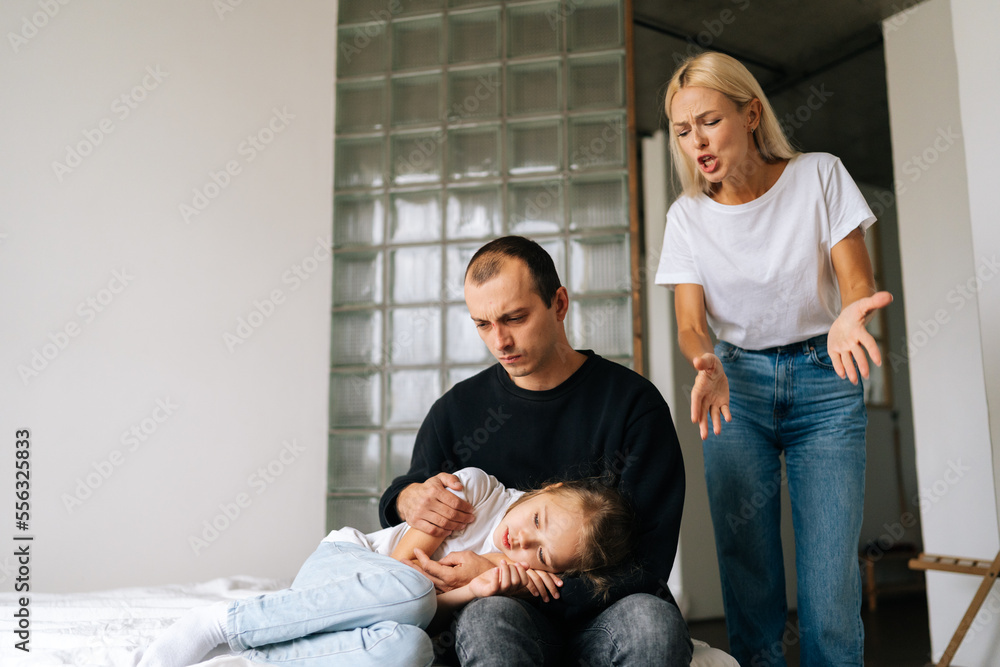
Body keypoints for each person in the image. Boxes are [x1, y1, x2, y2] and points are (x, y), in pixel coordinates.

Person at [654, 51, 893, 666]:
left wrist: (850, 312)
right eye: (683, 131)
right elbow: (688, 322)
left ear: (751, 113)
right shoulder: (688, 217)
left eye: (708, 121)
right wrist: (705, 361)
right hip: (736, 387)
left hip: (826, 378)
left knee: (829, 581)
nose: (696, 141)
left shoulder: (820, 176)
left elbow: (857, 284)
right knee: (748, 573)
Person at [380, 235, 692, 666]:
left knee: (652, 625)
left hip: (607, 613)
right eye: (483, 324)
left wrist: (513, 577)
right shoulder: (457, 410)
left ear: (559, 304)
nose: (500, 341)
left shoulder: (632, 405)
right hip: (503, 616)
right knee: (488, 616)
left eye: (515, 318)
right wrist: (406, 497)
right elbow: (408, 491)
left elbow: (646, 565)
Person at [137, 467, 635, 667]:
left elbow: (424, 622)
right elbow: (399, 569)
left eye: (542, 554)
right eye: (538, 519)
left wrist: (474, 590)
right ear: (544, 490)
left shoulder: (515, 580)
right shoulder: (479, 490)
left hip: (389, 616)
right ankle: (221, 623)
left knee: (409, 650)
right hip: (346, 568)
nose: (522, 538)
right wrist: (476, 565)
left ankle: (255, 661)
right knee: (411, 594)